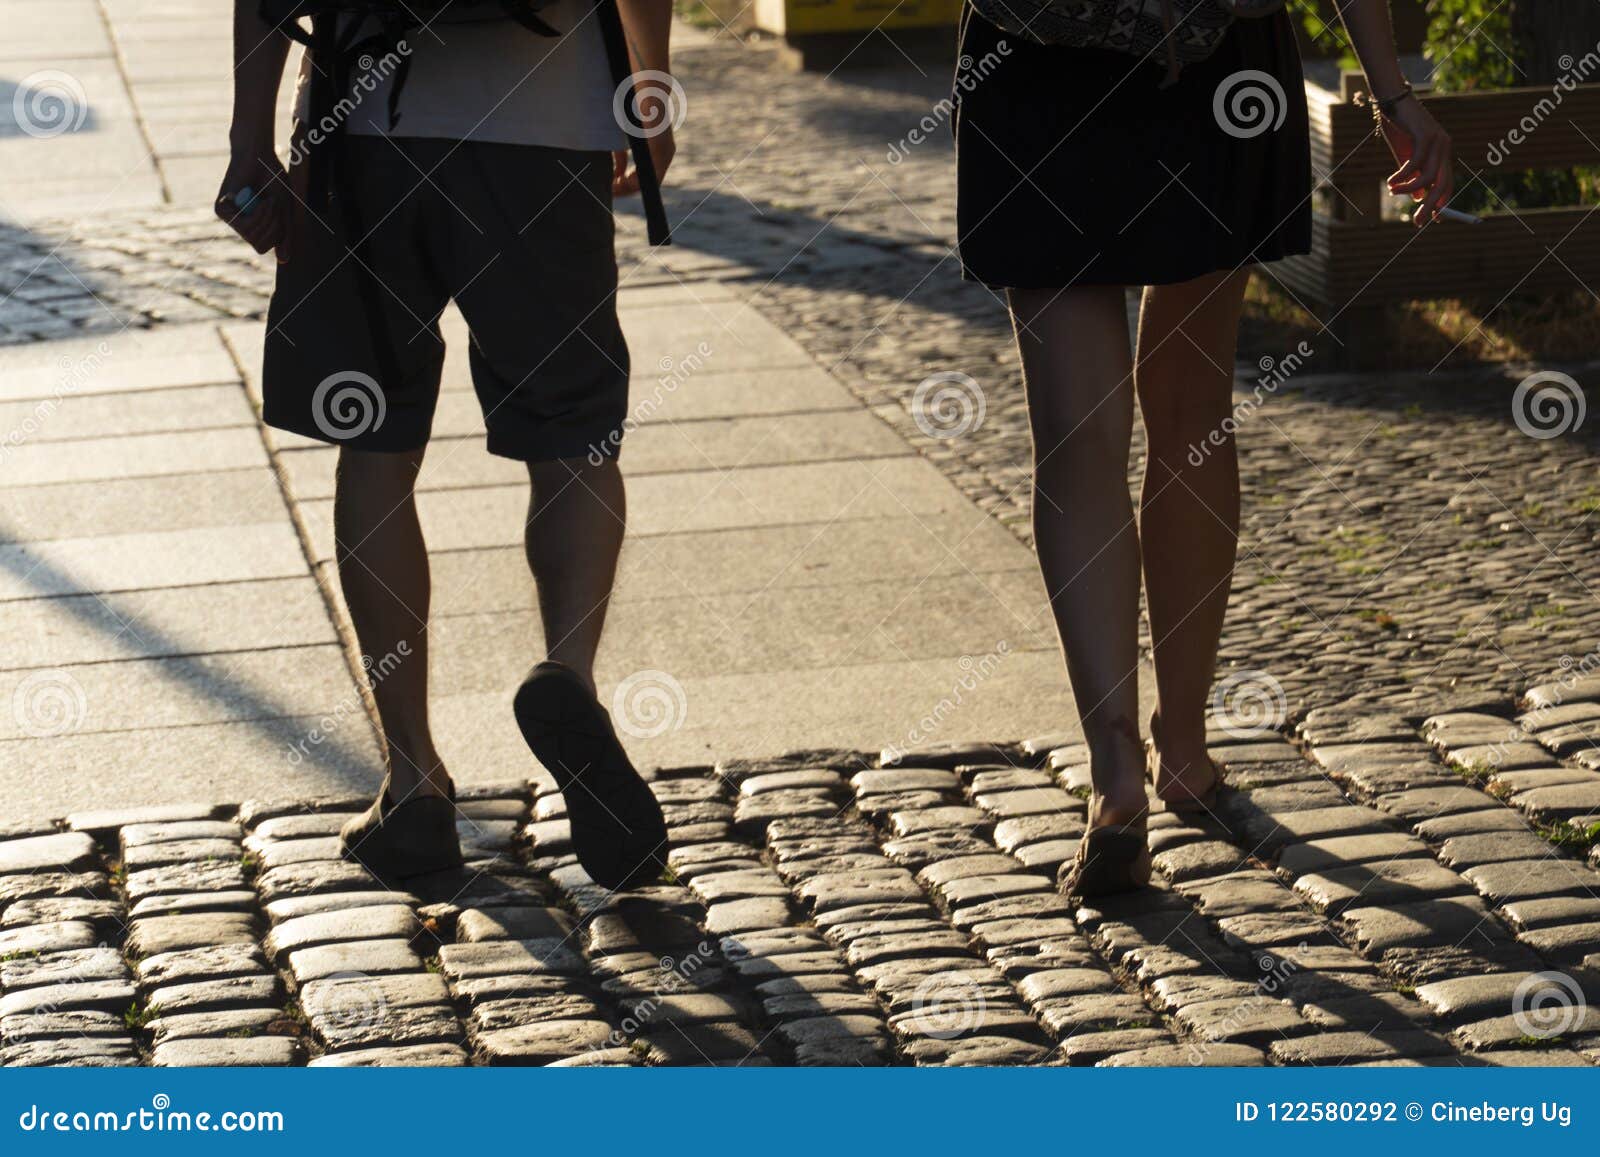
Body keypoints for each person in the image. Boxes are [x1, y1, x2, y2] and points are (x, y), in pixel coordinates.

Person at [951, 0, 1452, 895]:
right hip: (1199, 66)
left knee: (1082, 435)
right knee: (1188, 407)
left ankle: (1119, 785)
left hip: (1047, 61)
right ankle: (1178, 750)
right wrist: (1391, 91)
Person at [217, 0, 677, 890]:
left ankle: (415, 781)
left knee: (376, 446)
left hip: (363, 133)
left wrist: (249, 136)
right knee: (572, 435)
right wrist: (648, 88)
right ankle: (568, 676)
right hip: (547, 129)